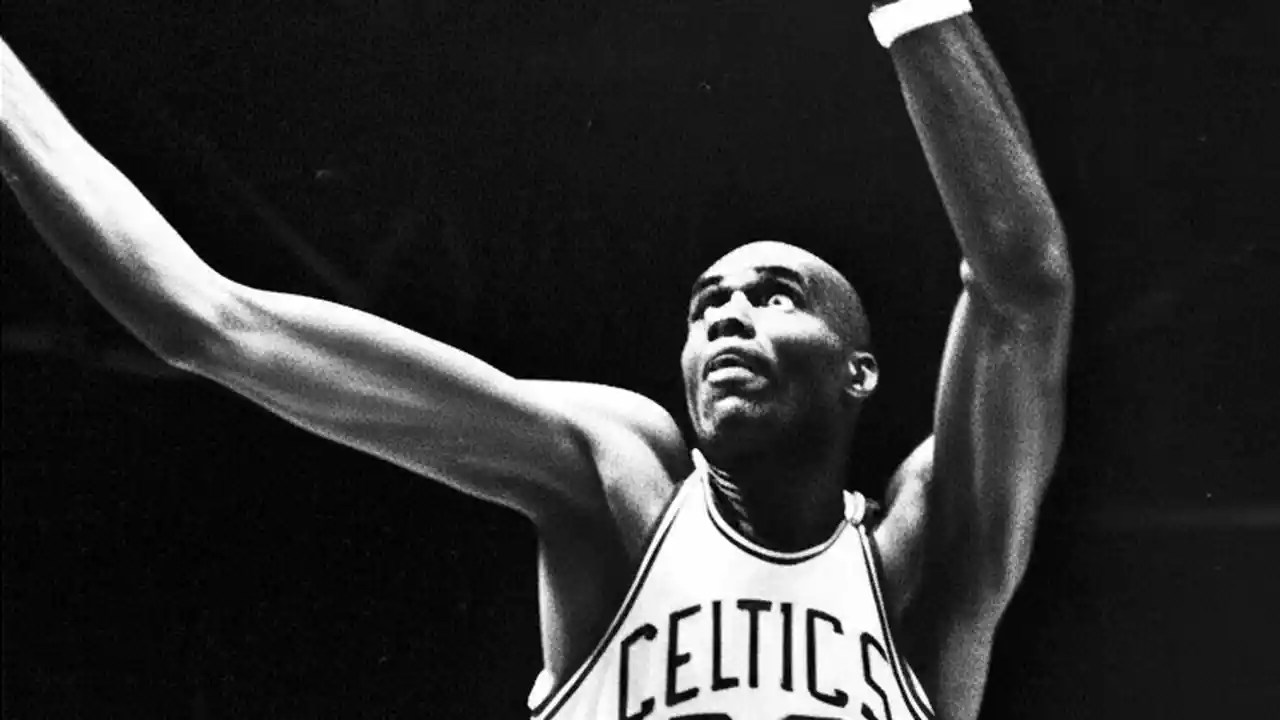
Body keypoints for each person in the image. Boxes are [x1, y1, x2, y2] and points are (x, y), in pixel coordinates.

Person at [0, 0, 1073, 717]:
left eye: (773, 295)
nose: (727, 319)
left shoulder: (921, 557)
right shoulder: (621, 479)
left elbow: (1021, 286)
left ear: (858, 370)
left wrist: (914, 9)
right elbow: (207, 321)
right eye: (704, 306)